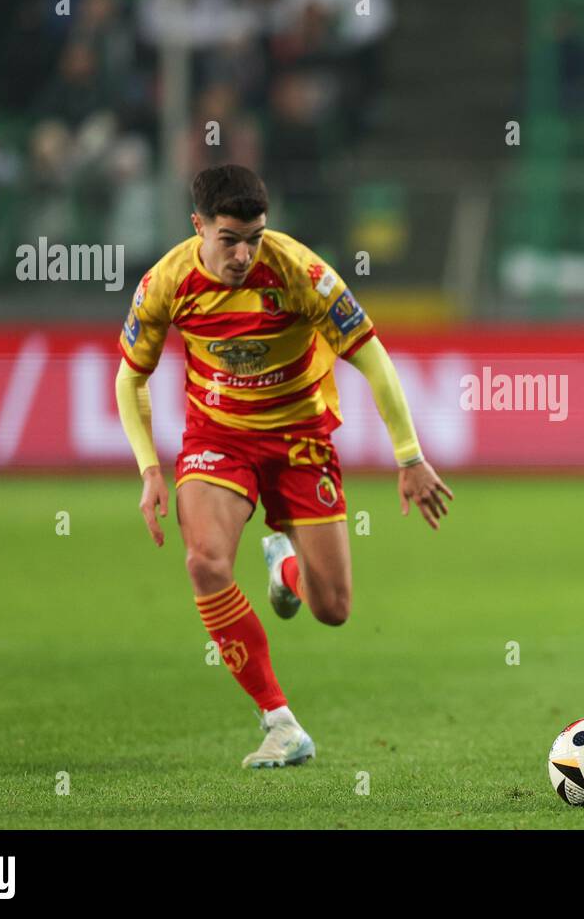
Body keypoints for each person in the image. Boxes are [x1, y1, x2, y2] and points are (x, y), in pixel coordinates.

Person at [115, 163, 452, 769]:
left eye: (255, 237)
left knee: (333, 608)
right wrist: (148, 471)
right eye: (230, 239)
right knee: (204, 562)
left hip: (300, 440)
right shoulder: (165, 282)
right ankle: (280, 722)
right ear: (199, 226)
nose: (245, 253)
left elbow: (373, 359)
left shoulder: (301, 272)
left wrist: (410, 457)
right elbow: (129, 380)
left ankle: (284, 562)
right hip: (218, 438)